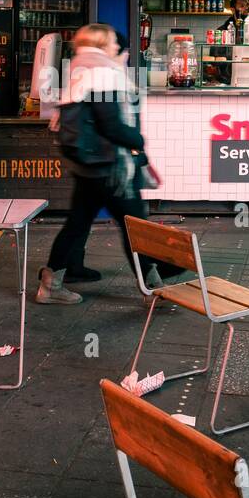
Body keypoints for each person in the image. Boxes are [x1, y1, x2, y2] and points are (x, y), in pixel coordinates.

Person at [36, 24, 181, 305]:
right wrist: (137, 139)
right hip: (111, 165)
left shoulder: (79, 65)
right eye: (114, 41)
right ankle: (152, 287)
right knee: (135, 225)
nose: (117, 46)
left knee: (78, 223)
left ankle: (51, 285)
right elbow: (112, 124)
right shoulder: (103, 71)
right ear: (102, 43)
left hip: (87, 164)